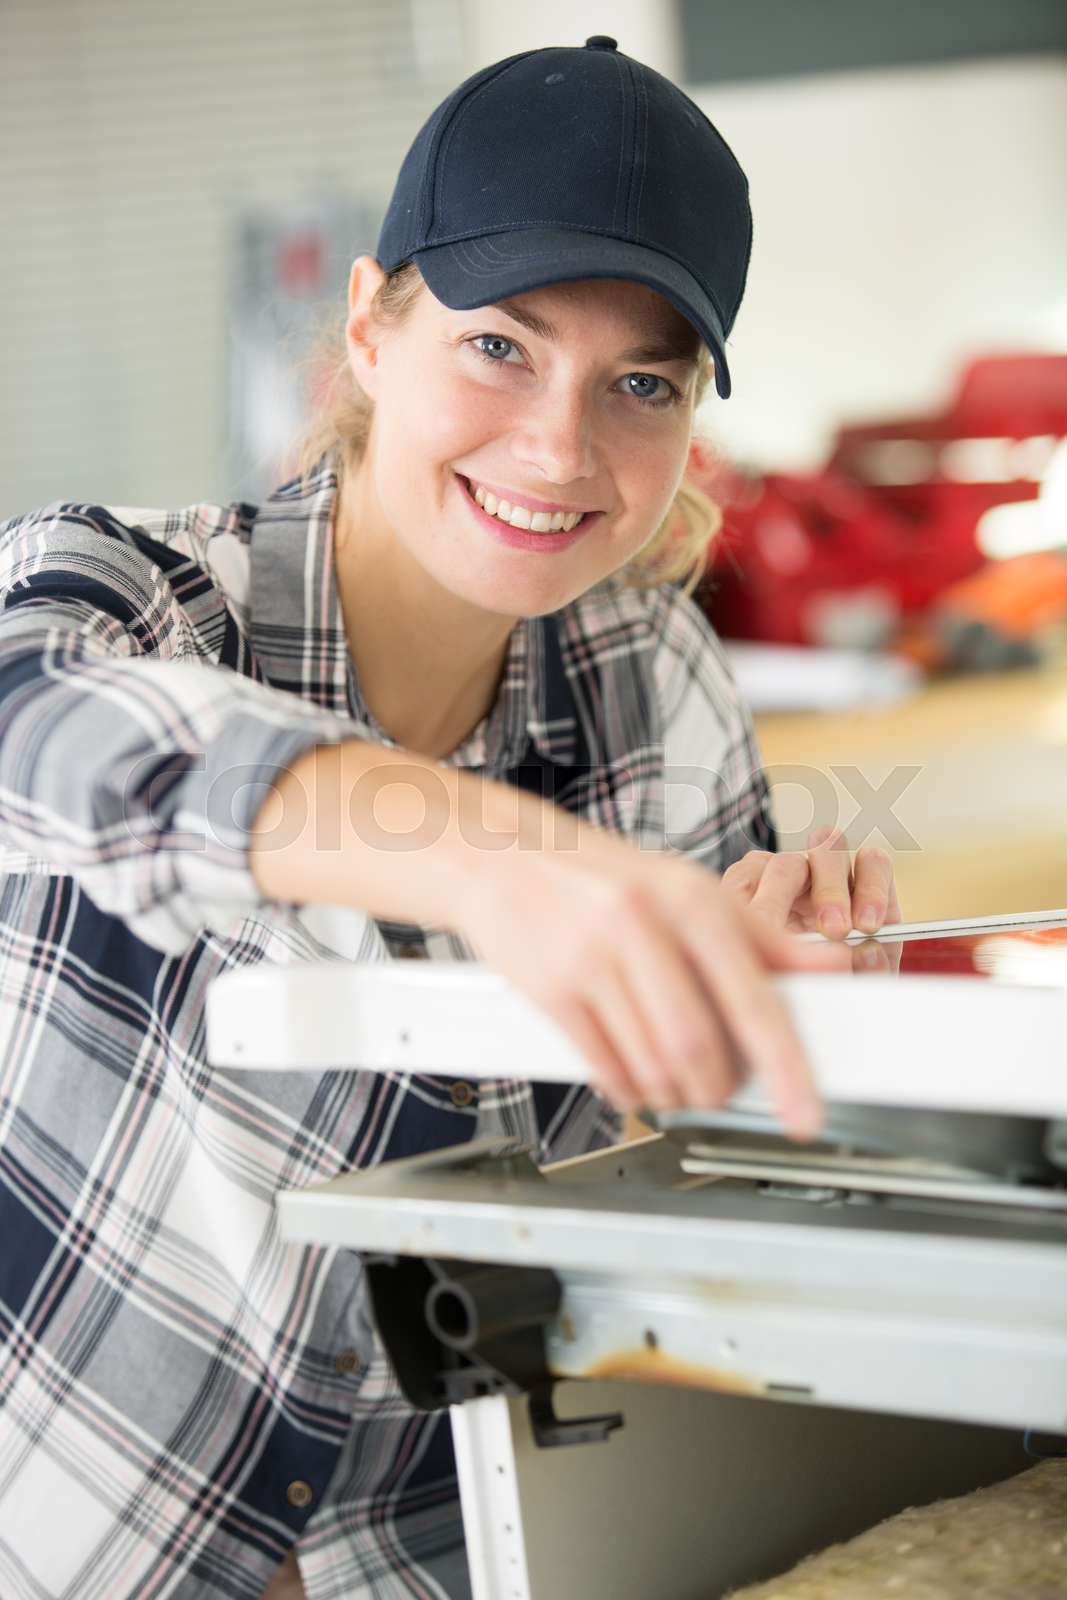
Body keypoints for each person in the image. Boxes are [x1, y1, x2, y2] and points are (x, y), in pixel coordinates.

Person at [0, 37, 898, 1600]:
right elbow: (29, 719)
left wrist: (764, 1038)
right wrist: (496, 859)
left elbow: (678, 1218)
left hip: (460, 1550)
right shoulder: (141, 590)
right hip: (80, 1526)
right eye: (499, 345)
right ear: (368, 327)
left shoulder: (661, 680)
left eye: (640, 384)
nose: (559, 449)